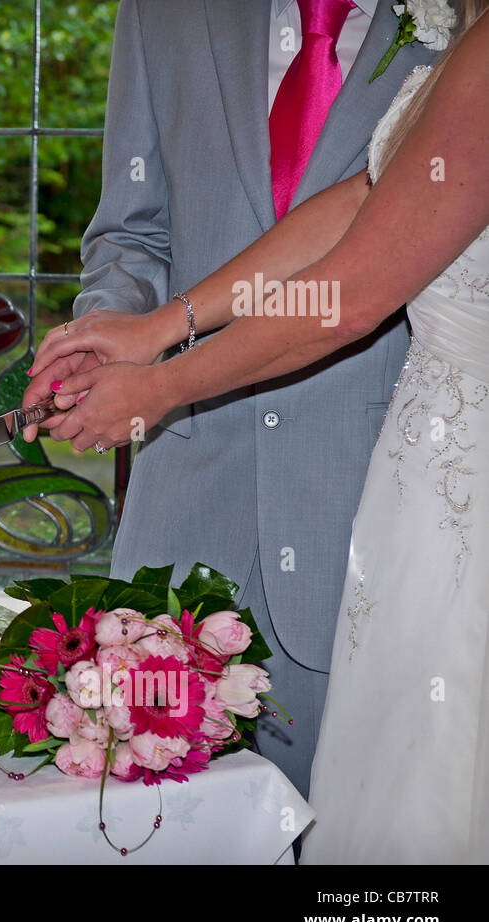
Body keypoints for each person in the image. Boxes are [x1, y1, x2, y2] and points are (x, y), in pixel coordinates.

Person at [28, 6, 488, 862]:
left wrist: (158, 386)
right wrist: (155, 325)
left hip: (438, 514)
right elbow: (360, 205)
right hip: (254, 513)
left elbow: (347, 298)